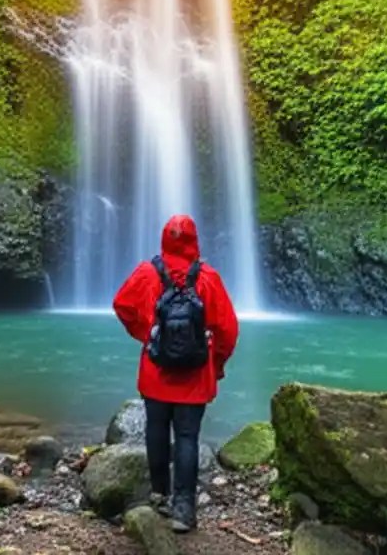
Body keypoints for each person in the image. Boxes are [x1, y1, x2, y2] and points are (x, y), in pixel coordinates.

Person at [112, 214, 239, 533]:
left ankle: (159, 495)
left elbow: (121, 305)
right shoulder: (208, 278)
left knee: (156, 430)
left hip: (155, 372)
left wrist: (147, 333)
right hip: (195, 376)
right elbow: (228, 329)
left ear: (164, 239)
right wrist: (217, 362)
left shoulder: (146, 273)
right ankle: (184, 509)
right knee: (187, 437)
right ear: (195, 241)